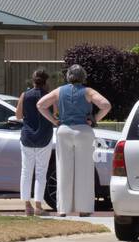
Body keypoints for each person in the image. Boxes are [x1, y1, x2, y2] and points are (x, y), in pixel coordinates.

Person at [37, 64, 111, 216]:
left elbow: (41, 105)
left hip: (64, 131)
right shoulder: (88, 91)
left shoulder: (59, 91)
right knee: (85, 170)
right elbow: (106, 105)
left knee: (63, 169)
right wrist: (94, 119)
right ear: (83, 76)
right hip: (83, 130)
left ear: (68, 76)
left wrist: (54, 121)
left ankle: (63, 209)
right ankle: (84, 209)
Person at [16, 69, 53, 216]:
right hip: (44, 137)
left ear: (33, 81)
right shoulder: (49, 97)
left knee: (26, 171)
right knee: (41, 172)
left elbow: (18, 115)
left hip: (27, 137)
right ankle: (38, 206)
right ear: (46, 82)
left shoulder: (25, 95)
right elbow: (55, 114)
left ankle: (27, 206)